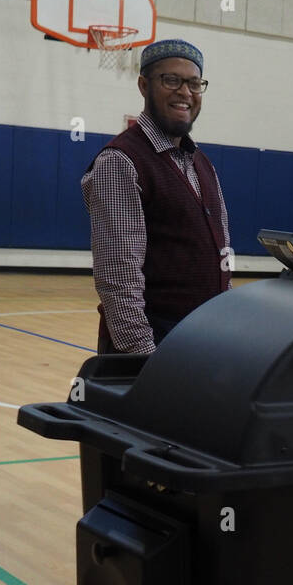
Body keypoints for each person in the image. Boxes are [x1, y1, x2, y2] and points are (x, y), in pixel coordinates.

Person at [81, 39, 231, 354]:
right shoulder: (120, 162)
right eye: (171, 80)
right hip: (154, 350)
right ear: (143, 85)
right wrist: (142, 359)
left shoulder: (203, 164)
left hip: (203, 341)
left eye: (194, 83)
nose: (185, 93)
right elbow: (119, 276)